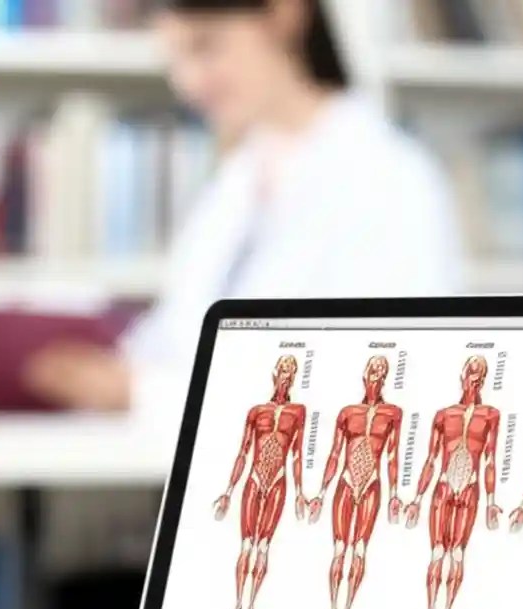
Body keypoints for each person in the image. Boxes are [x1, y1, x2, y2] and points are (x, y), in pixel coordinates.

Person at [25, 0, 464, 416]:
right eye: (174, 61)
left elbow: (372, 384)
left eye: (206, 46)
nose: (189, 83)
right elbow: (179, 334)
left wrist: (141, 392)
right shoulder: (237, 179)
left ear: (283, 13)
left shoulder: (391, 179)